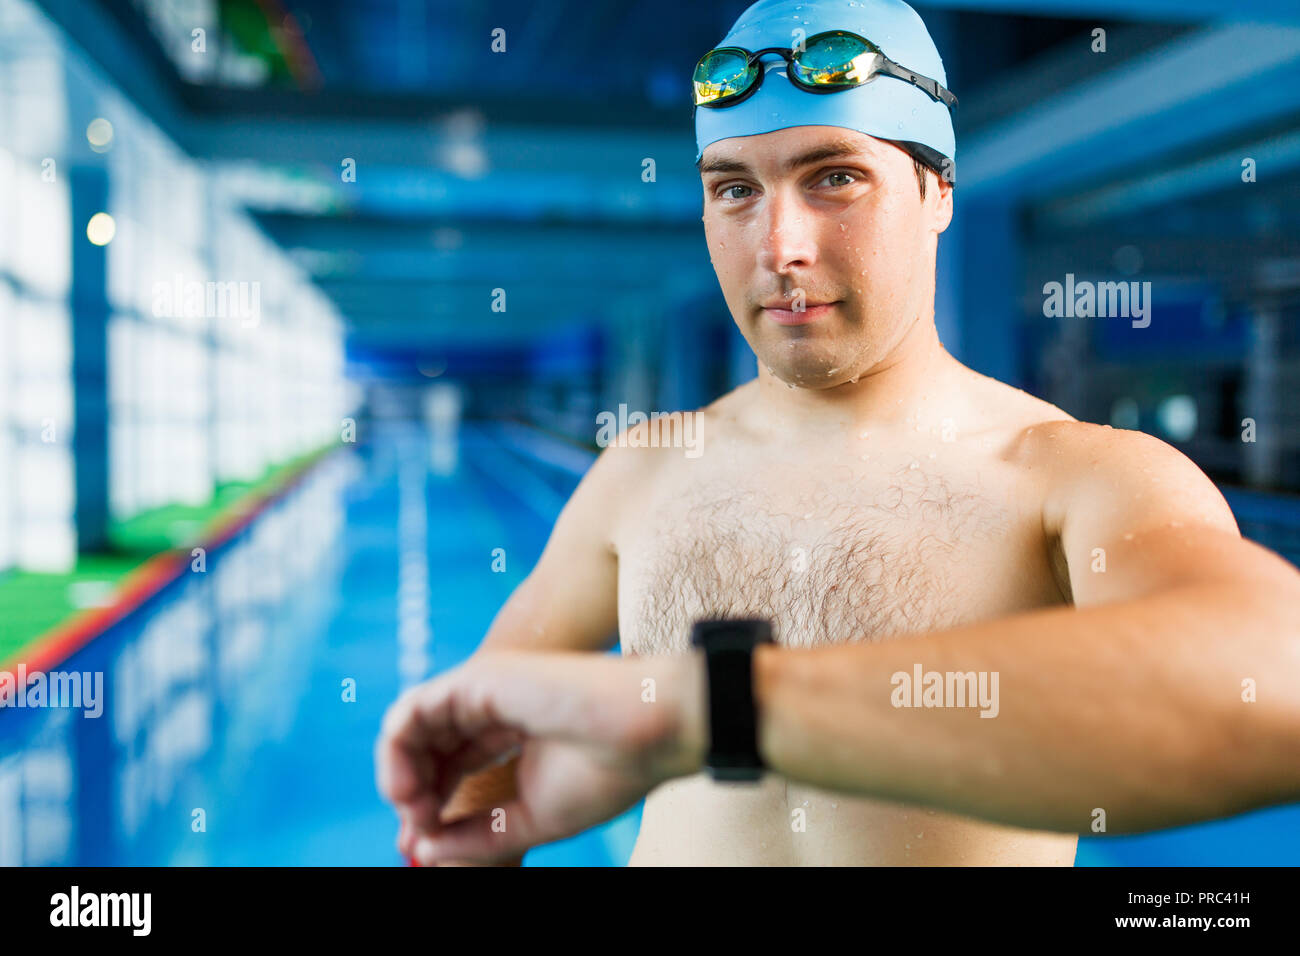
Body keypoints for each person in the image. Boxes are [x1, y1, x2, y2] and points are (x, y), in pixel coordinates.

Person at [375, 0, 1300, 866]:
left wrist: (711, 711)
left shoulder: (1078, 479)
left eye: (835, 178)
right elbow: (484, 748)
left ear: (937, 193)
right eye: (734, 189)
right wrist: (476, 813)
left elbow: (1272, 673)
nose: (780, 246)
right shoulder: (644, 467)